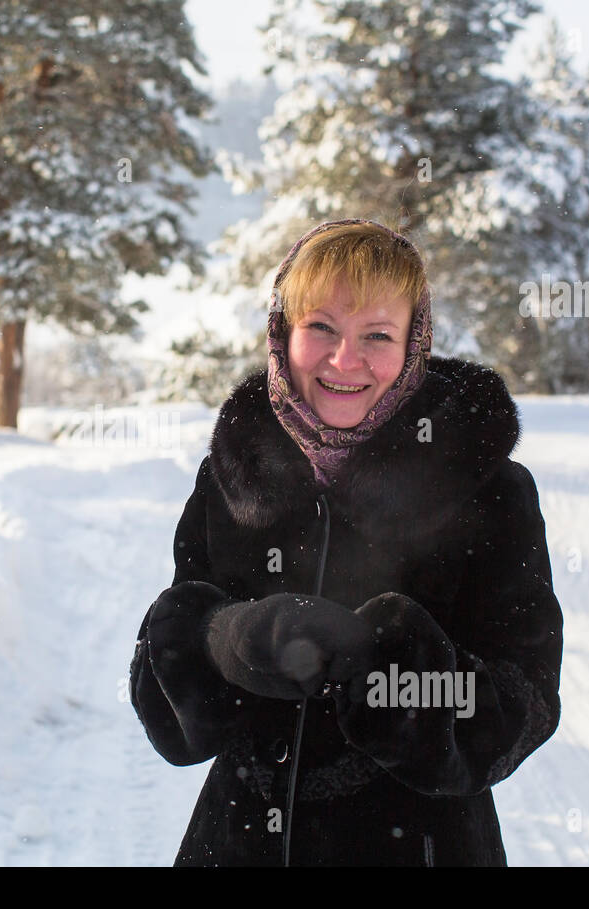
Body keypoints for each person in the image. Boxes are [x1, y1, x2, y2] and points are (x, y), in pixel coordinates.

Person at [129, 218, 564, 866]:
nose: (344, 359)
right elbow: (161, 690)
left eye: (377, 335)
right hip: (239, 839)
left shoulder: (487, 489)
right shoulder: (233, 472)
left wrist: (396, 677)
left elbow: (524, 700)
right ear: (282, 330)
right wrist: (226, 640)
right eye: (322, 328)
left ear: (414, 342)